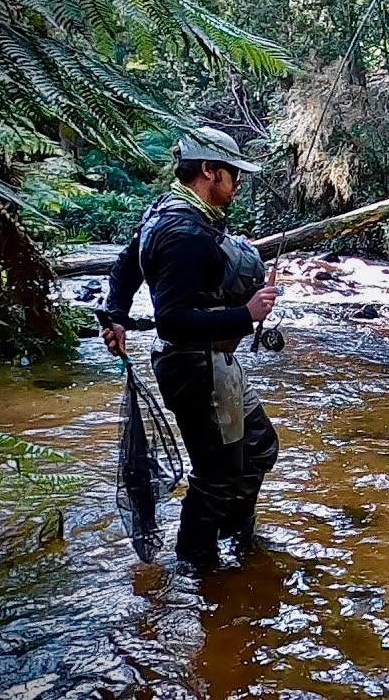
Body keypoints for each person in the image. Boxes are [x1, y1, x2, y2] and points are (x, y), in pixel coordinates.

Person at [101, 126, 280, 571]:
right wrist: (248, 315)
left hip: (213, 362)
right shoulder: (184, 233)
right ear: (208, 171)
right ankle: (197, 571)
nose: (237, 183)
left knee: (258, 446)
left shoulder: (167, 211)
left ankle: (237, 540)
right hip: (195, 367)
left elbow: (126, 264)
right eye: (232, 173)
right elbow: (174, 322)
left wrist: (115, 315)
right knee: (216, 478)